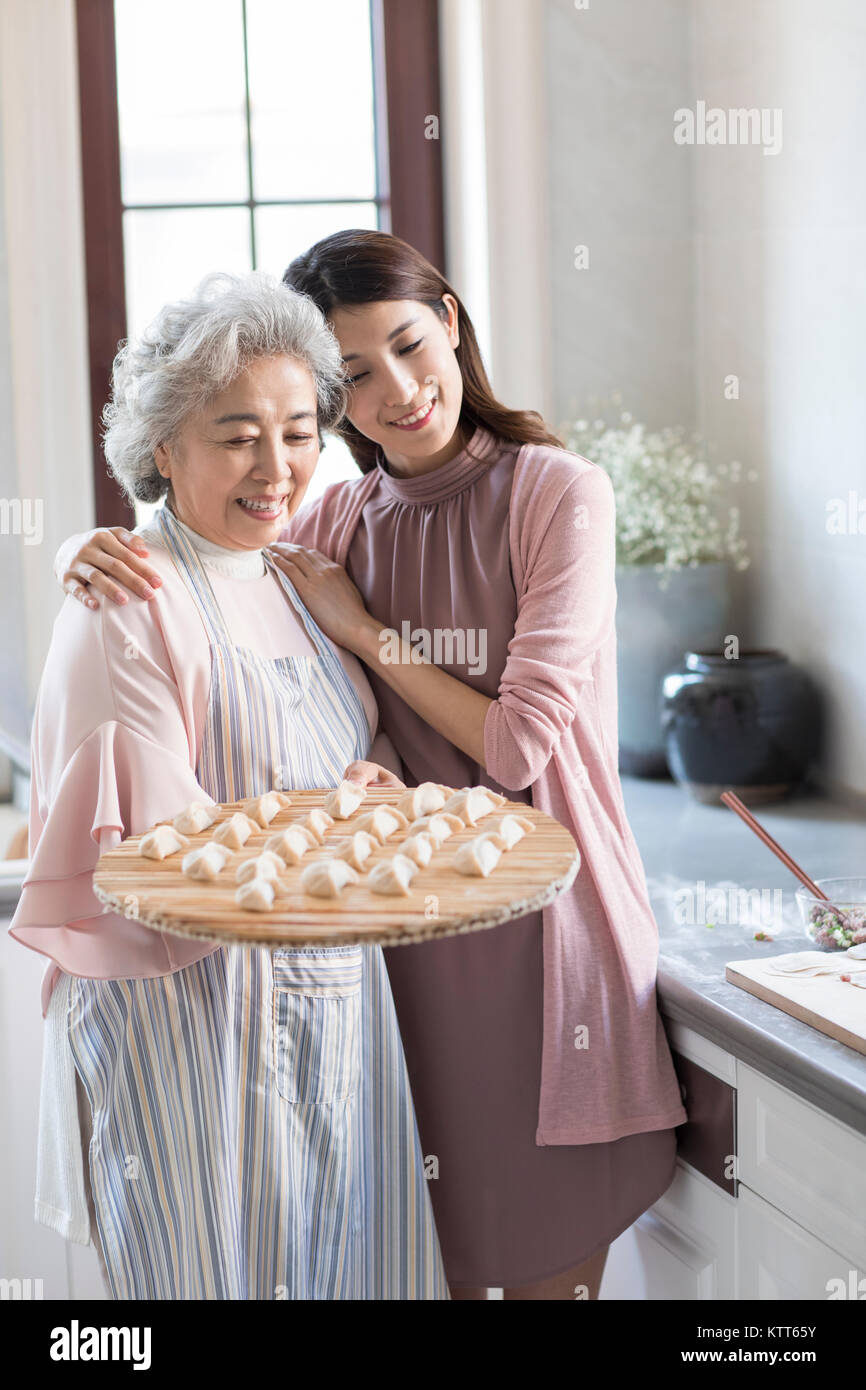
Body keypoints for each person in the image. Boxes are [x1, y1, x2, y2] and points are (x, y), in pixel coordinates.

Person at [55, 231, 688, 1301]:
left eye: (406, 344)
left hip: (545, 953)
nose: (395, 390)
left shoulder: (555, 493)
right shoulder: (333, 519)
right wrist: (88, 546)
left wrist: (359, 625)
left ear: (448, 319)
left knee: (547, 1272)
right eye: (351, 375)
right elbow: (208, 543)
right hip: (398, 973)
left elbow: (517, 746)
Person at [12, 269, 448, 1300]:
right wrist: (344, 835)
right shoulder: (127, 598)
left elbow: (349, 760)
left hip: (336, 1009)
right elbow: (162, 867)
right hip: (192, 1028)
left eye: (298, 430)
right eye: (237, 433)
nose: (277, 465)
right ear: (163, 448)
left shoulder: (298, 577)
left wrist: (373, 796)